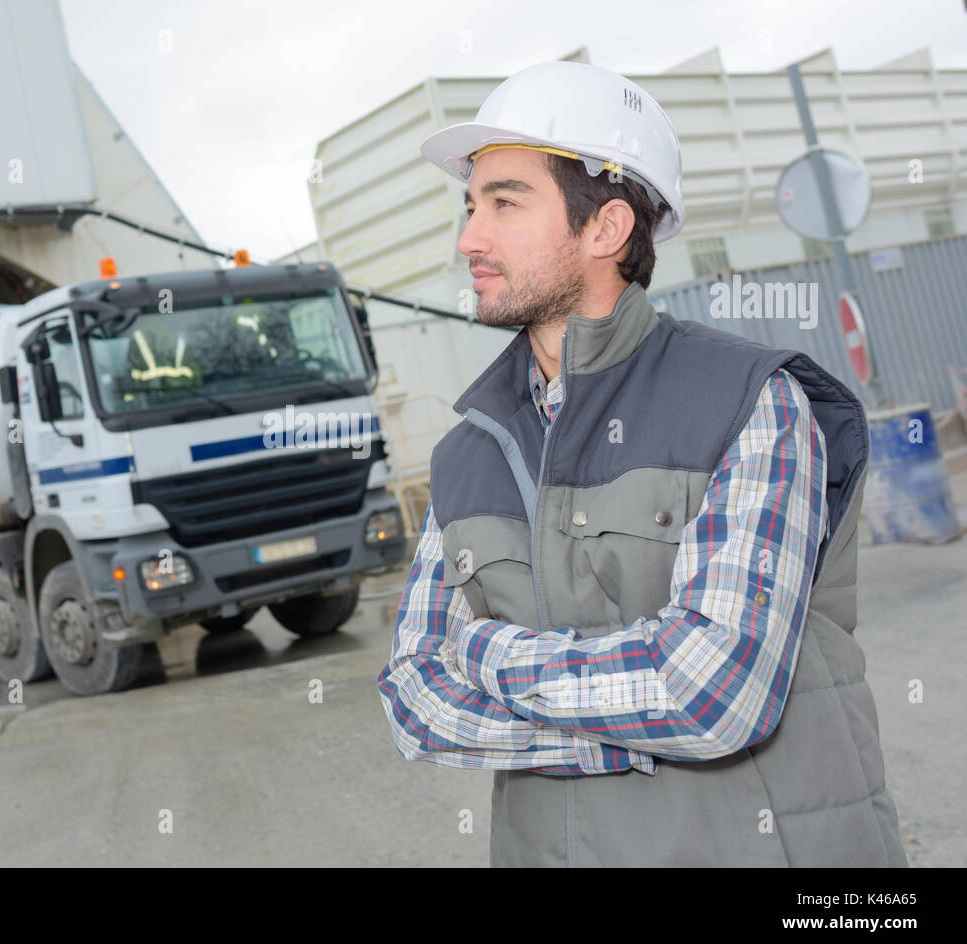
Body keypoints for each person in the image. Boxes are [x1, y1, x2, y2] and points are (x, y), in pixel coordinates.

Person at [376, 60, 907, 867]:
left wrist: (488, 652)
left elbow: (710, 694)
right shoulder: (468, 450)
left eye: (505, 203)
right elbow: (415, 698)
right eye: (471, 205)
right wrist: (614, 739)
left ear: (607, 228)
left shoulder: (748, 401)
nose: (469, 240)